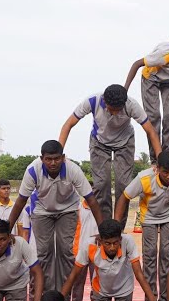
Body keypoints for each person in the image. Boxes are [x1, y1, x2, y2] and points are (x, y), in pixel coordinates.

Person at [8, 140, 104, 301]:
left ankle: (63, 300)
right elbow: (20, 201)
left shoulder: (73, 170)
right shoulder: (33, 170)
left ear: (63, 158)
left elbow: (91, 200)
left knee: (65, 252)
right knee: (43, 253)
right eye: (48, 159)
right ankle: (43, 299)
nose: (53, 163)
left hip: (67, 210)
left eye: (57, 159)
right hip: (42, 211)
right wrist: (7, 230)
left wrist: (103, 230)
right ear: (42, 159)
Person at [58, 84, 163, 221]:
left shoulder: (132, 105)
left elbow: (151, 131)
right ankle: (105, 226)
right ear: (104, 101)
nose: (114, 114)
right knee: (101, 184)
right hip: (99, 142)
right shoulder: (93, 101)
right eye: (111, 109)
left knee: (124, 185)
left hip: (125, 142)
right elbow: (68, 124)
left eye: (118, 110)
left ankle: (118, 226)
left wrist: (160, 161)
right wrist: (59, 153)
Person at [115, 150, 169, 300]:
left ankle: (165, 300)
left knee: (167, 256)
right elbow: (124, 197)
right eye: (165, 172)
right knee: (149, 256)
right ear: (157, 168)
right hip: (149, 217)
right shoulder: (144, 178)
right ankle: (151, 300)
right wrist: (116, 230)